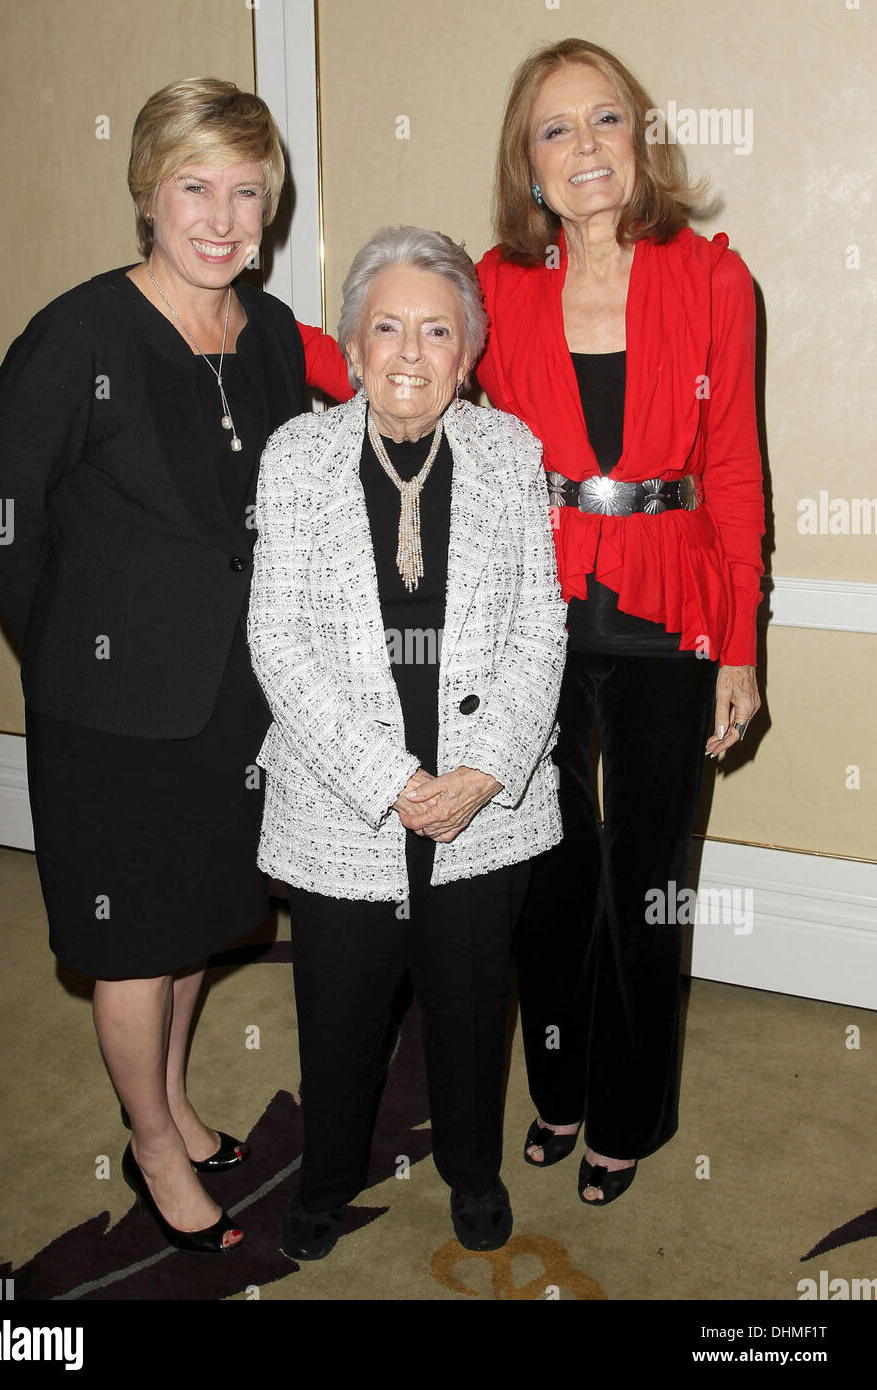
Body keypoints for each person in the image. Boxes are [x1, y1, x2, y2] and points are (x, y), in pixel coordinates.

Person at [0, 78, 308, 1253]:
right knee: (130, 942)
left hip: (232, 701)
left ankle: (173, 1102)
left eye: (246, 192)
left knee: (194, 920)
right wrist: (68, 645)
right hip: (110, 709)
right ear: (149, 193)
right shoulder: (81, 335)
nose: (222, 217)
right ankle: (152, 1146)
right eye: (194, 187)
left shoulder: (268, 331)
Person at [475, 38, 765, 1203]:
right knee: (547, 874)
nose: (585, 146)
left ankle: (630, 1110)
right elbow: (394, 362)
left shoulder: (713, 280)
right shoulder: (495, 286)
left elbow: (733, 469)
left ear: (639, 139)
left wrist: (740, 646)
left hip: (670, 612)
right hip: (536, 610)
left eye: (606, 119)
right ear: (529, 162)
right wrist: (245, 323)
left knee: (647, 878)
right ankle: (558, 1084)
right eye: (556, 128)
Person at [248, 226, 567, 1258]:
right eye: (387, 327)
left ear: (467, 353)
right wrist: (389, 778)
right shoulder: (297, 459)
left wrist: (483, 771)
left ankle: (472, 1169)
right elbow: (276, 639)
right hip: (342, 799)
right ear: (351, 345)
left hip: (481, 799)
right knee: (340, 1010)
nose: (411, 352)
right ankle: (326, 1179)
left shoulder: (510, 452)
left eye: (437, 330)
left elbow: (541, 627)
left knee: (471, 1006)